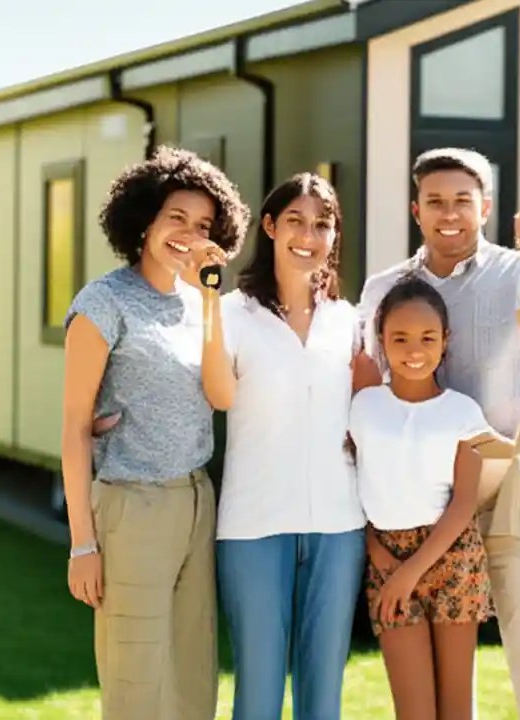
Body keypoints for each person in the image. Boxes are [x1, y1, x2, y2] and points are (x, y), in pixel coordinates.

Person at [358, 147, 520, 719]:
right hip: (418, 511)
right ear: (416, 209)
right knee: (439, 694)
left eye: (462, 201)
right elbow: (366, 394)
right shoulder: (382, 290)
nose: (449, 213)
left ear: (484, 206)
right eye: (435, 201)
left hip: (506, 493)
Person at [61, 146, 250, 720]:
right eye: (177, 219)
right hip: (131, 507)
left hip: (197, 500)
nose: (190, 236)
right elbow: (73, 429)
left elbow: (223, 397)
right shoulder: (104, 303)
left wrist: (213, 301)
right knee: (136, 684)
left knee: (192, 680)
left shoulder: (202, 303)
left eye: (203, 227)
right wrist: (82, 544)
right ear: (143, 220)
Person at [214, 172, 368, 720]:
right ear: (272, 227)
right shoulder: (230, 315)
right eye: (297, 221)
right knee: (257, 689)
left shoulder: (351, 323)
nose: (310, 235)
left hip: (338, 521)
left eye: (323, 224)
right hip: (253, 524)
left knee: (322, 693)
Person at [349, 274, 509, 720]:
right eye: (399, 338)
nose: (414, 350)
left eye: (427, 337)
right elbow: (350, 485)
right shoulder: (363, 407)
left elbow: (463, 504)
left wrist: (411, 573)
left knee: (455, 709)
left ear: (445, 341)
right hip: (388, 557)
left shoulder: (462, 412)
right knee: (414, 711)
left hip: (453, 557)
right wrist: (380, 557)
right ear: (381, 341)